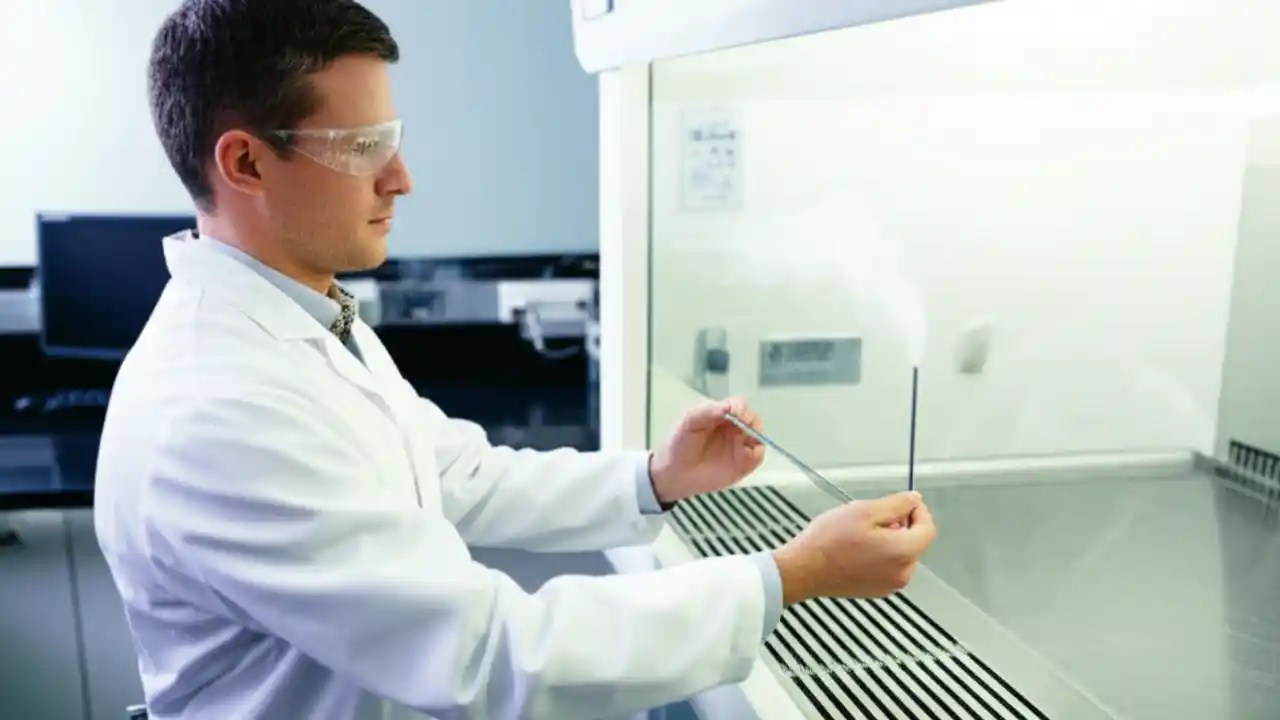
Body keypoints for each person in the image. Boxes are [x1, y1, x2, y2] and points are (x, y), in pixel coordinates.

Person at [93, 1, 938, 718]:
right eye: (361, 148)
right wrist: (791, 576)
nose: (402, 178)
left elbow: (458, 474)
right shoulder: (220, 407)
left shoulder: (305, 319)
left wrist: (657, 476)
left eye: (394, 139)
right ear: (244, 162)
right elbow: (486, 651)